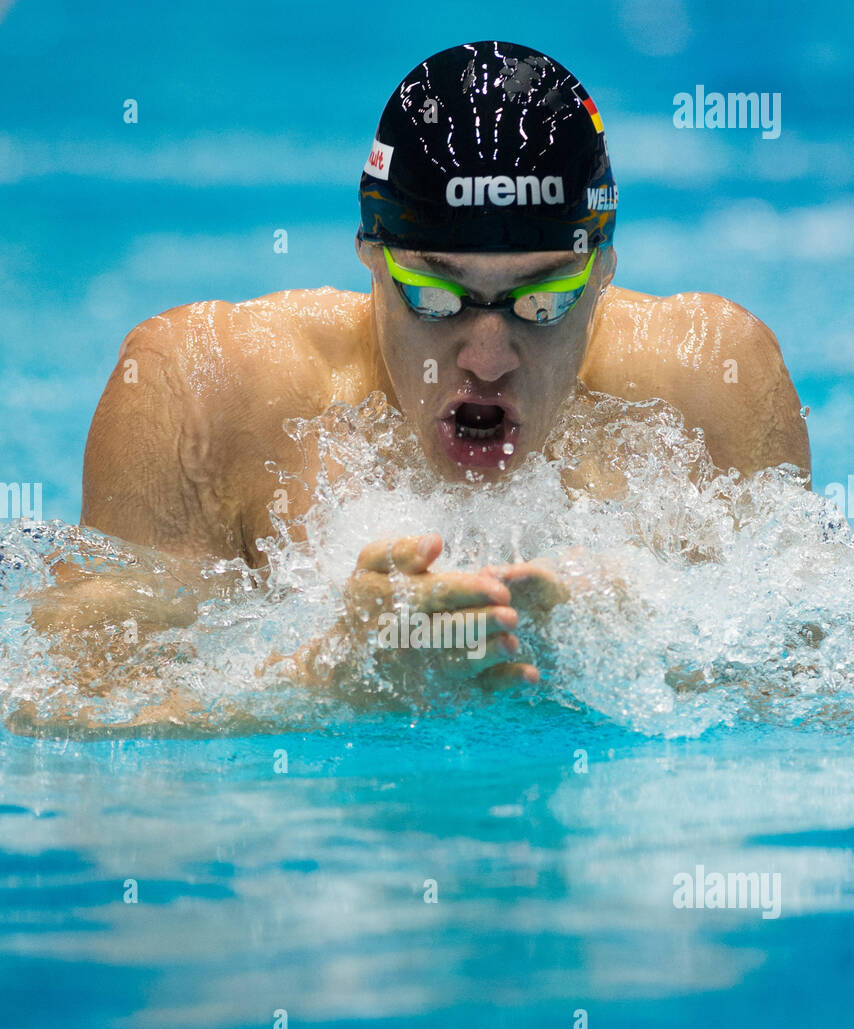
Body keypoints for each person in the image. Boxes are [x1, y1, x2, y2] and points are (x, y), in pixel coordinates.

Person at [39, 41, 811, 702]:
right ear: (369, 255)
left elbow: (818, 681)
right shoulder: (201, 388)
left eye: (540, 302)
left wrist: (620, 642)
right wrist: (332, 679)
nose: (485, 357)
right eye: (436, 298)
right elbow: (68, 706)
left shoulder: (712, 379)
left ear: (602, 269)